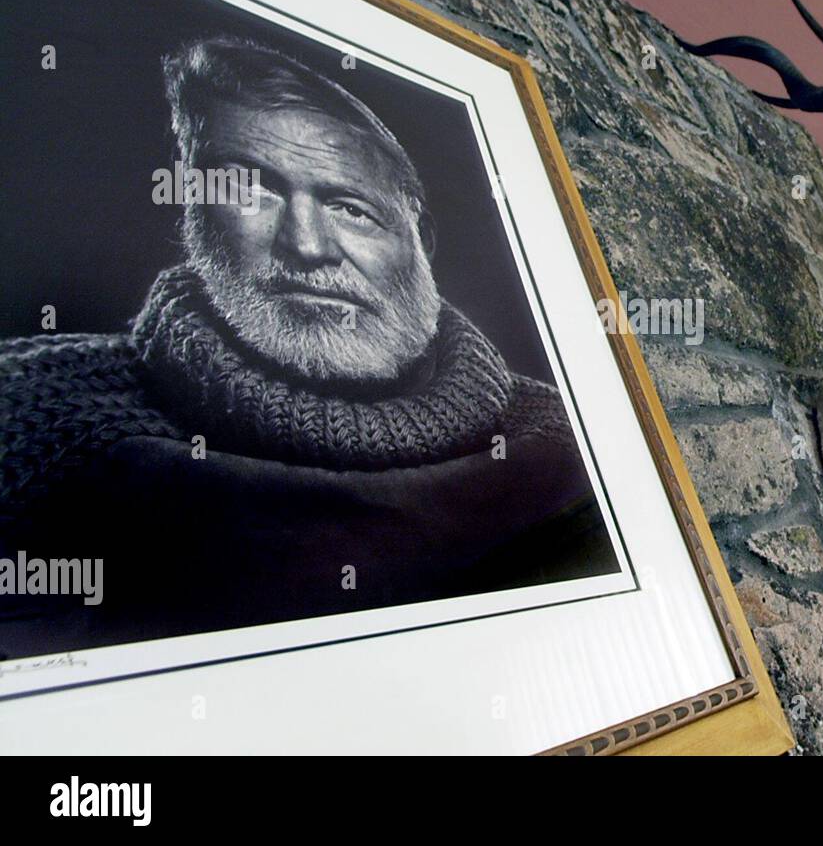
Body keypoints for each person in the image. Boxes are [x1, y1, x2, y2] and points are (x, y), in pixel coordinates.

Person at [0, 37, 616, 653]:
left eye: (351, 208)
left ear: (420, 240)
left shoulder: (568, 439)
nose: (308, 245)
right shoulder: (31, 412)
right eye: (252, 193)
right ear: (194, 212)